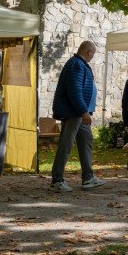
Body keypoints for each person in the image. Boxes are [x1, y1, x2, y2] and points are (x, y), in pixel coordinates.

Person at [50, 41, 105, 192]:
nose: (93, 56)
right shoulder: (76, 65)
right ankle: (57, 180)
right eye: (93, 53)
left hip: (79, 113)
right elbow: (75, 91)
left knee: (86, 140)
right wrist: (83, 111)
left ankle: (88, 178)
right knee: (66, 145)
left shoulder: (79, 64)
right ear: (88, 52)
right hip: (74, 112)